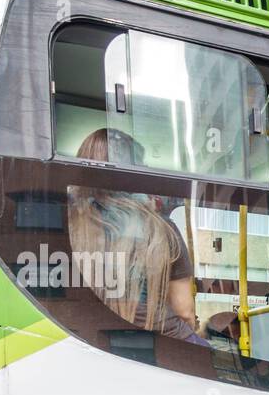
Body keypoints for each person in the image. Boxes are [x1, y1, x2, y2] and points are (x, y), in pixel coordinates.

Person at [67, 129, 201, 342]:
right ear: (131, 173)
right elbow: (185, 312)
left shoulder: (67, 224)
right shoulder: (160, 228)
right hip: (157, 341)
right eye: (140, 164)